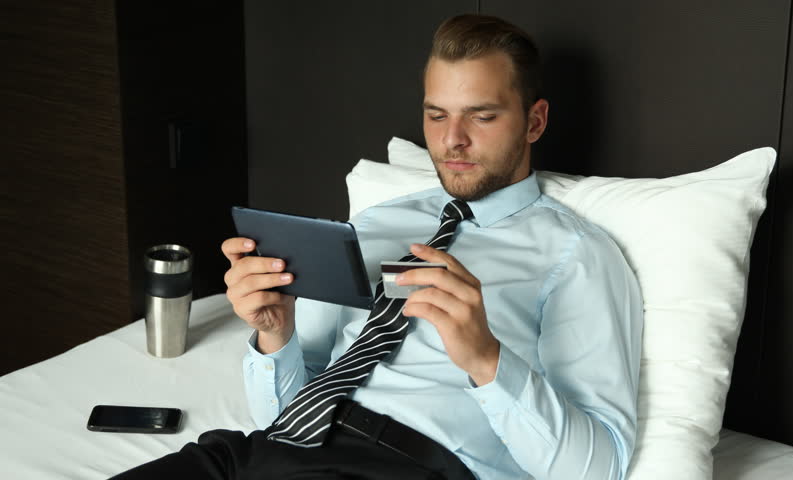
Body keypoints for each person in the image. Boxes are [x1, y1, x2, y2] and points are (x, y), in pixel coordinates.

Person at [114, 14, 642, 480]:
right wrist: (276, 336)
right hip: (260, 454)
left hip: (410, 464)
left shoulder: (578, 257)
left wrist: (486, 359)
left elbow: (601, 466)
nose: (452, 139)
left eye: (481, 116)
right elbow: (281, 412)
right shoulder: (377, 222)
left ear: (535, 121)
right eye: (436, 115)